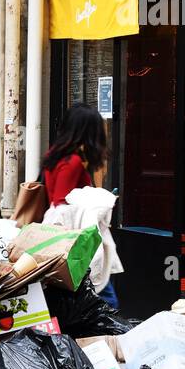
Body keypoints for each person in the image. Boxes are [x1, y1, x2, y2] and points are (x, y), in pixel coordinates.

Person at [42, 102, 119, 309]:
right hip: (78, 238)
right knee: (105, 297)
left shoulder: (55, 155)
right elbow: (62, 203)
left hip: (66, 236)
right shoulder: (73, 162)